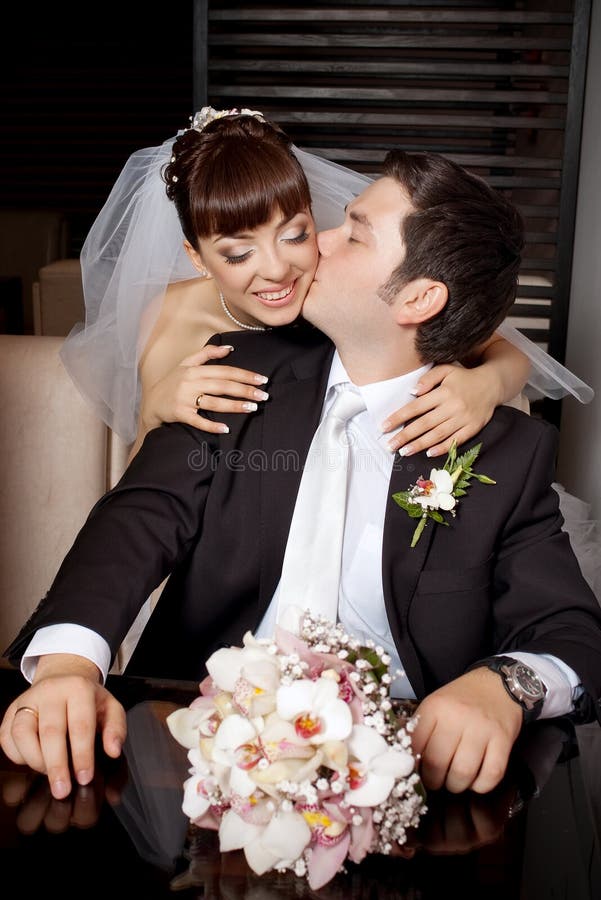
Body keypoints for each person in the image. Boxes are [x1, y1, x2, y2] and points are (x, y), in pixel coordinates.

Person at [2, 144, 600, 805]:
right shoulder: (232, 372)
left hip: (401, 774)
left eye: (353, 232)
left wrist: (503, 686)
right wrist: (66, 662)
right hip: (202, 741)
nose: (316, 241)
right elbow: (139, 519)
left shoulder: (503, 451)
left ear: (418, 296)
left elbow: (570, 630)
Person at [60, 108, 593, 462]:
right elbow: (143, 494)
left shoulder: (339, 293)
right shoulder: (171, 320)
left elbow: (506, 347)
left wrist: (487, 385)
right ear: (197, 260)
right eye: (239, 253)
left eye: (296, 234)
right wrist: (157, 410)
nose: (277, 269)